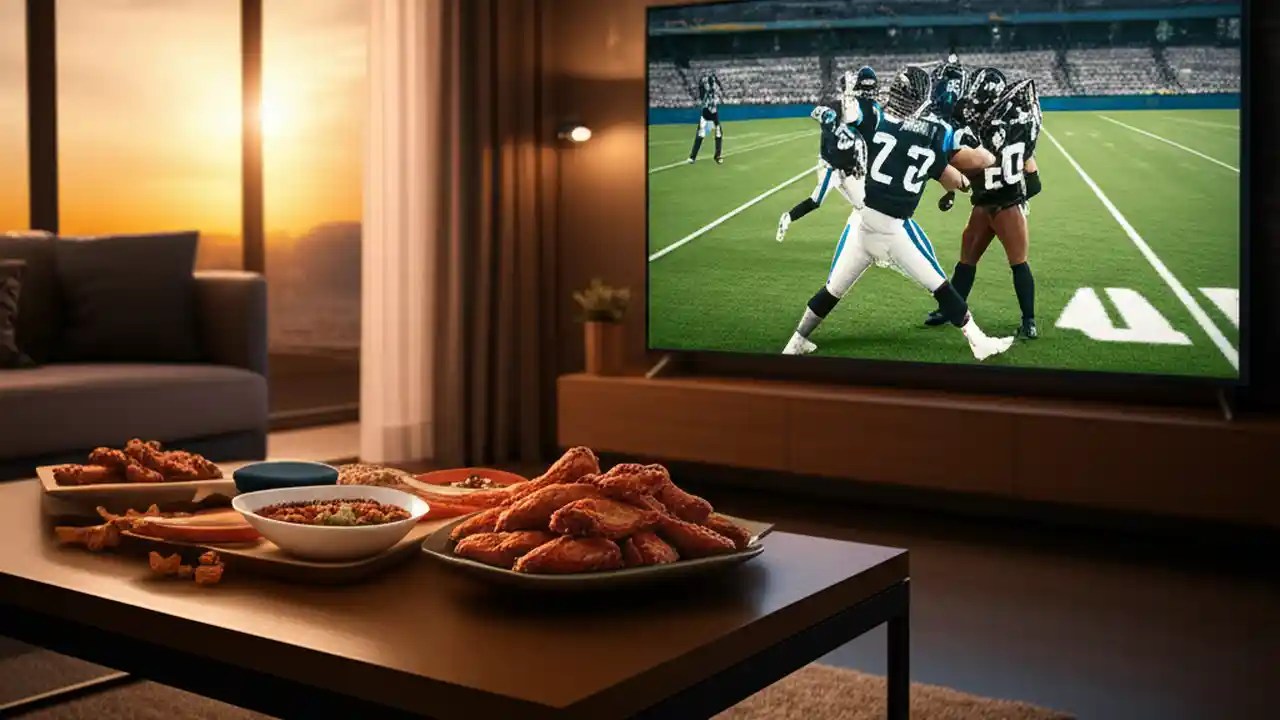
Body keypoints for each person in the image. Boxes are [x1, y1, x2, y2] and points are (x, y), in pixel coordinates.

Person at [782, 69, 1014, 362]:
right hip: (891, 229)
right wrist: (965, 175)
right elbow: (957, 169)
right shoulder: (936, 132)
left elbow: (848, 115)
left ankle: (797, 340)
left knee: (833, 289)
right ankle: (979, 342)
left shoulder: (873, 117)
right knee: (940, 284)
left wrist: (833, 119)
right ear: (921, 98)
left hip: (862, 221)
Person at [927, 75, 1043, 339]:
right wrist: (1019, 189)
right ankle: (953, 310)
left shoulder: (975, 129)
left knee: (1012, 263)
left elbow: (964, 163)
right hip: (1000, 202)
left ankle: (1029, 320)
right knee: (969, 259)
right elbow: (1034, 182)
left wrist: (958, 185)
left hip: (999, 204)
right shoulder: (1018, 128)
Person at [776, 67, 881, 242]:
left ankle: (869, 246)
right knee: (816, 200)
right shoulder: (839, 106)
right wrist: (831, 120)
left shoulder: (870, 110)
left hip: (849, 168)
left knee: (863, 207)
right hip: (831, 166)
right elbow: (818, 112)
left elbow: (866, 140)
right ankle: (787, 218)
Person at [688, 71, 724, 164]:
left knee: (718, 133)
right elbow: (705, 94)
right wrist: (708, 81)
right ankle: (692, 157)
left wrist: (714, 79)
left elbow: (717, 88)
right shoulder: (704, 93)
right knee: (700, 135)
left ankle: (718, 155)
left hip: (714, 113)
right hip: (706, 114)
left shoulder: (714, 90)